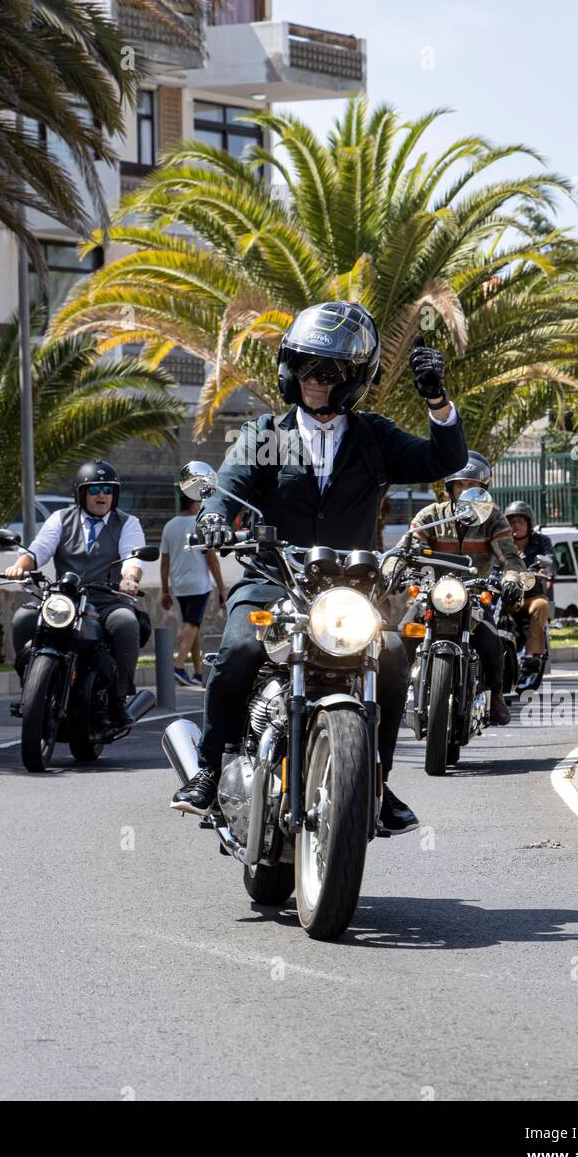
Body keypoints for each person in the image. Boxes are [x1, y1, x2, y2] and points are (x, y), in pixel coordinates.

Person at [170, 300, 468, 836]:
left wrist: (437, 400)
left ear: (353, 379)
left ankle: (373, 780)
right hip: (272, 580)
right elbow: (230, 486)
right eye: (306, 366)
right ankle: (210, 769)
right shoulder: (266, 433)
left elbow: (442, 462)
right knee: (239, 647)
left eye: (329, 371)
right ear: (290, 368)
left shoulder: (374, 437)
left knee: (395, 654)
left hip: (347, 590)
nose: (314, 379)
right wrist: (215, 519)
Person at [4, 459, 144, 729]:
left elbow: (132, 557)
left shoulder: (128, 523)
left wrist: (129, 578)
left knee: (126, 623)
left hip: (106, 600)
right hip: (64, 598)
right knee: (23, 618)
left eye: (107, 489)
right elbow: (38, 551)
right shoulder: (61, 519)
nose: (101, 495)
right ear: (81, 494)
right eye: (94, 490)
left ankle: (117, 699)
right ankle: (31, 686)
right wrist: (18, 567)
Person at [409, 452, 526, 725]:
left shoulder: (494, 519)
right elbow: (408, 548)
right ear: (450, 489)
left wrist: (511, 578)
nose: (465, 492)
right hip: (432, 594)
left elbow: (510, 557)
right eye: (460, 486)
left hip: (473, 594)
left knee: (491, 642)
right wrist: (396, 569)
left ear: (484, 491)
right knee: (397, 640)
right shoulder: (431, 515)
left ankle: (496, 694)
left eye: (472, 487)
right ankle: (392, 693)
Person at [160, 493, 227, 688]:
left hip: (179, 586)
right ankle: (178, 666)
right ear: (195, 504)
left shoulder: (169, 526)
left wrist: (165, 590)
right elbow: (212, 559)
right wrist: (223, 589)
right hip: (199, 585)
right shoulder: (200, 524)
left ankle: (199, 673)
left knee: (194, 626)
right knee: (192, 624)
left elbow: (164, 562)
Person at [504, 500, 555, 677]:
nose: (515, 525)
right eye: (511, 522)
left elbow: (551, 559)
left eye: (520, 521)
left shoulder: (541, 541)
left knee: (541, 605)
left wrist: (546, 568)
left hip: (531, 596)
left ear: (529, 523)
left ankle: (530, 655)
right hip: (507, 596)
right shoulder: (503, 542)